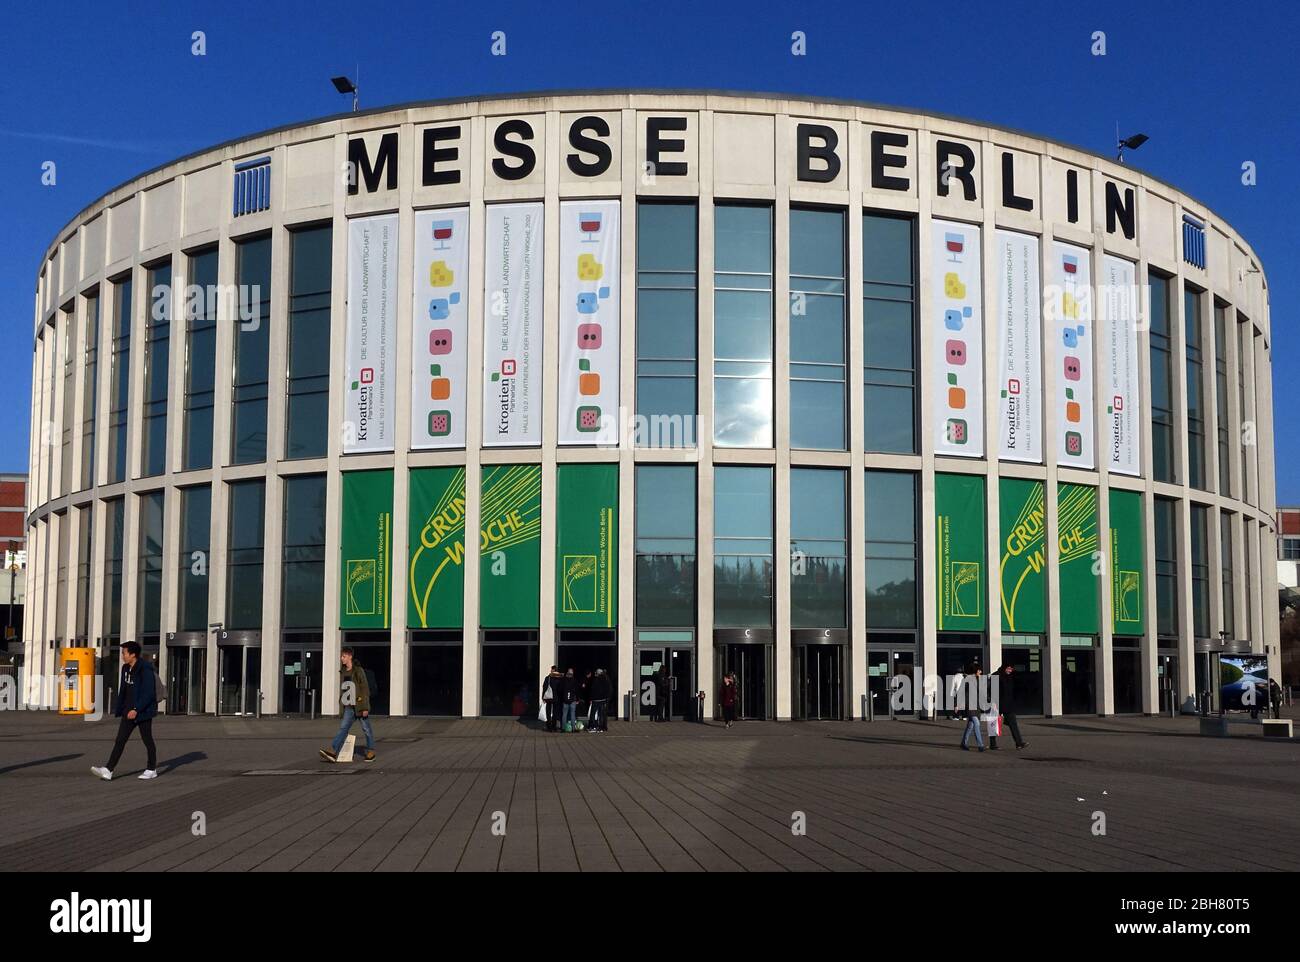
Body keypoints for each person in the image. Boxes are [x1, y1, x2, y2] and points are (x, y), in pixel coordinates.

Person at [90, 641, 159, 781]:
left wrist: (136, 709)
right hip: (128, 711)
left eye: (124, 653)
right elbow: (124, 689)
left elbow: (148, 693)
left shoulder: (145, 669)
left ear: (133, 654)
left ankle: (151, 769)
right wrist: (122, 707)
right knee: (120, 740)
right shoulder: (125, 668)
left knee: (147, 740)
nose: (122, 655)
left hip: (143, 711)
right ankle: (108, 769)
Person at [319, 647, 376, 762]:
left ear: (350, 656)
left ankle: (371, 751)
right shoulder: (343, 671)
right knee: (343, 728)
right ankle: (333, 751)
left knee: (366, 729)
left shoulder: (358, 671)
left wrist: (365, 707)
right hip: (349, 706)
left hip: (359, 705)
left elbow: (364, 688)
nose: (341, 659)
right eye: (341, 656)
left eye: (343, 656)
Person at [988, 663, 1028, 750]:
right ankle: (992, 744)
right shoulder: (996, 676)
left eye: (1011, 669)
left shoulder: (1010, 676)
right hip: (996, 703)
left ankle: (1019, 743)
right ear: (1004, 668)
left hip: (1008, 704)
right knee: (993, 724)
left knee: (1013, 723)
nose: (1010, 670)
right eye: (1008, 669)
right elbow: (991, 691)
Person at [959, 663, 985, 752]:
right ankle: (980, 745)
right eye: (979, 670)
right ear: (975, 671)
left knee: (971, 725)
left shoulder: (978, 679)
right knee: (977, 724)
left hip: (976, 705)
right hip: (970, 705)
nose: (980, 672)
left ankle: (963, 743)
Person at [587, 668, 611, 732]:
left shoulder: (595, 680)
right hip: (603, 699)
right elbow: (608, 689)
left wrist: (591, 698)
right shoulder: (605, 679)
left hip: (596, 700)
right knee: (601, 714)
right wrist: (606, 698)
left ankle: (593, 726)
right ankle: (601, 727)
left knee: (593, 713)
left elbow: (593, 690)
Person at [542, 666, 563, 731]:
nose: (550, 670)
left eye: (551, 669)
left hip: (549, 697)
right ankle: (554, 727)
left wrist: (543, 697)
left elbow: (544, 687)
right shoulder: (560, 678)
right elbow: (561, 689)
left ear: (553, 670)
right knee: (555, 712)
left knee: (548, 712)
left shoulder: (548, 678)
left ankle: (549, 727)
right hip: (556, 698)